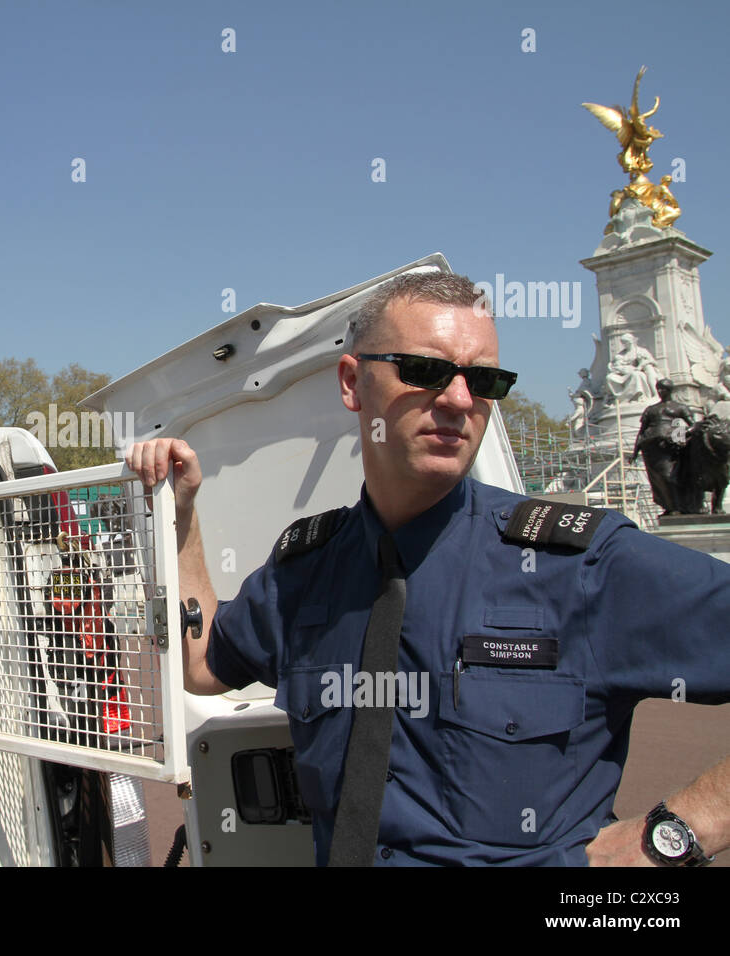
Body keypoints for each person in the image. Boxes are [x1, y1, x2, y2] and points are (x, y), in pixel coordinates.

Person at [125, 271, 730, 866]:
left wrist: (671, 838)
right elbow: (203, 664)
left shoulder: (579, 563)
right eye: (425, 370)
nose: (460, 399)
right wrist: (180, 515)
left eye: (484, 379)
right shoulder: (305, 569)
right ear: (351, 382)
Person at [631, 378, 695, 515]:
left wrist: (679, 436)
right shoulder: (651, 409)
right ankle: (669, 507)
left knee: (669, 476)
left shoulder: (679, 407)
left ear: (670, 390)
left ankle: (678, 506)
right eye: (658, 388)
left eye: (663, 388)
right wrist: (635, 451)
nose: (660, 391)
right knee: (656, 479)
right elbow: (642, 431)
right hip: (650, 448)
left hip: (669, 446)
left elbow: (693, 425)